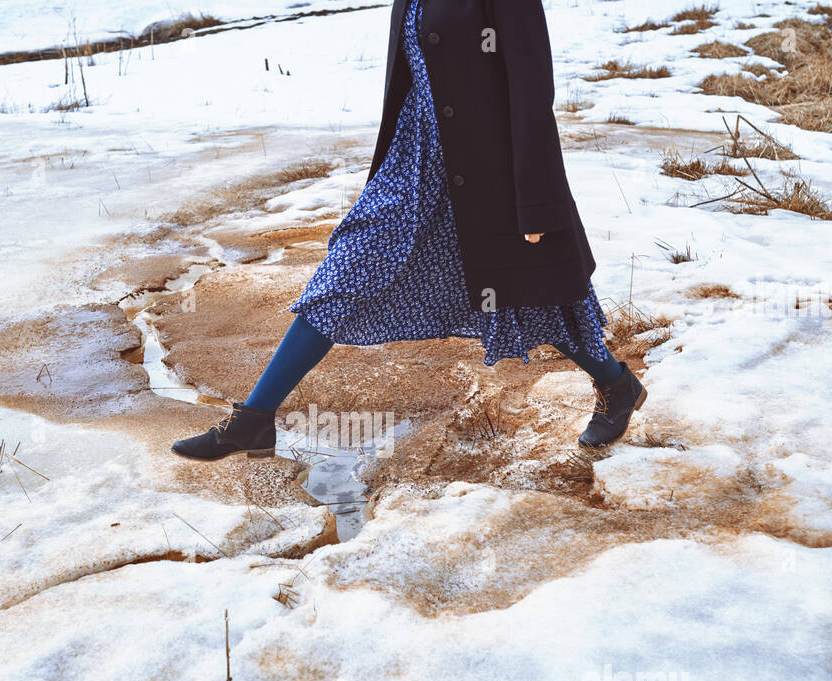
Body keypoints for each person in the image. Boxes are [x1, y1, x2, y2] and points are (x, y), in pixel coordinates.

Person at [172, 0, 646, 462]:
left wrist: (536, 204)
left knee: (529, 292)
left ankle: (615, 384)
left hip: (490, 174)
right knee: (342, 277)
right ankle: (254, 419)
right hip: (413, 169)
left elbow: (531, 88)